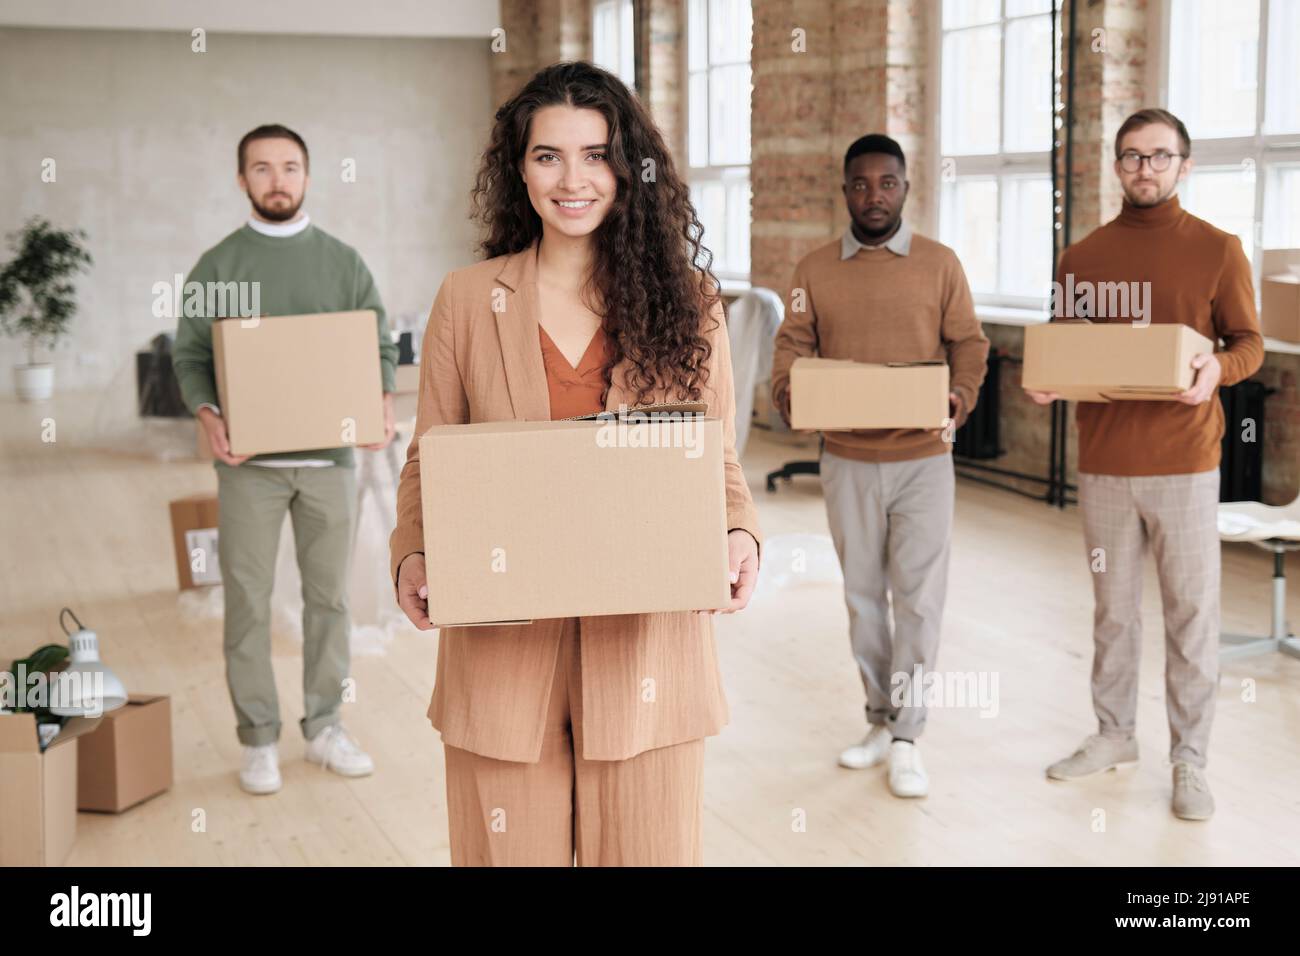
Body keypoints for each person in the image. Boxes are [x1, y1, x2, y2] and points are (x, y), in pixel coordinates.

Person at [388, 62, 761, 867]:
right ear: (518, 168)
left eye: (596, 155)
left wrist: (739, 531)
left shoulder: (688, 303)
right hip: (503, 646)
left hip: (646, 649)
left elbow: (715, 453)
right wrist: (412, 549)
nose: (573, 179)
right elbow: (431, 453)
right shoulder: (466, 298)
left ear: (627, 169)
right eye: (548, 155)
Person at [1027, 108, 1264, 821]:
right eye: (1132, 157)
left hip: (1186, 464)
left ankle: (1189, 761)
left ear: (1184, 166)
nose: (1145, 170)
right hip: (1104, 464)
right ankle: (1113, 735)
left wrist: (1215, 370)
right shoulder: (1083, 257)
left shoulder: (1219, 250)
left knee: (1192, 616)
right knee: (1113, 614)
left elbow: (1250, 342)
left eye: (1160, 157)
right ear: (1117, 166)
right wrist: (1045, 380)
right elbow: (1065, 350)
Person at [173, 124, 399, 795]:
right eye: (263, 168)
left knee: (329, 599)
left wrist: (381, 402)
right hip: (249, 466)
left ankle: (326, 725)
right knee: (245, 599)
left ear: (308, 176)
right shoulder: (218, 266)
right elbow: (189, 357)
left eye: (291, 167)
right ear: (241, 179)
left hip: (330, 462)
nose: (278, 180)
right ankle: (258, 739)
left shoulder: (342, 262)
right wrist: (209, 415)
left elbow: (378, 346)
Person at [770, 134, 988, 799]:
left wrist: (959, 397)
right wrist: (788, 395)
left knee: (917, 600)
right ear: (845, 192)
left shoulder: (940, 265)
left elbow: (970, 345)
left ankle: (907, 736)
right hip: (847, 459)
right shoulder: (813, 271)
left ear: (905, 189)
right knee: (863, 599)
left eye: (886, 183)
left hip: (924, 459)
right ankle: (877, 718)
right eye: (860, 184)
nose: (874, 195)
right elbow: (791, 346)